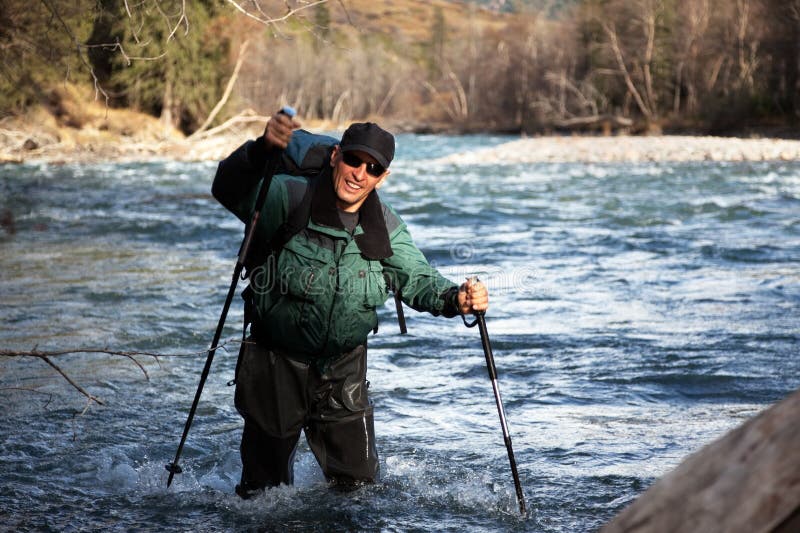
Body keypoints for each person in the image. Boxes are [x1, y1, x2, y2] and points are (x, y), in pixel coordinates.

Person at [211, 110, 489, 498]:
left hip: (343, 373)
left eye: (373, 168)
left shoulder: (385, 227)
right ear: (335, 156)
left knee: (358, 492)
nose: (360, 173)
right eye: (354, 160)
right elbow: (229, 188)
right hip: (276, 365)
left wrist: (456, 298)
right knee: (263, 495)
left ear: (382, 178)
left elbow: (420, 279)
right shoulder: (289, 197)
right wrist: (260, 151)